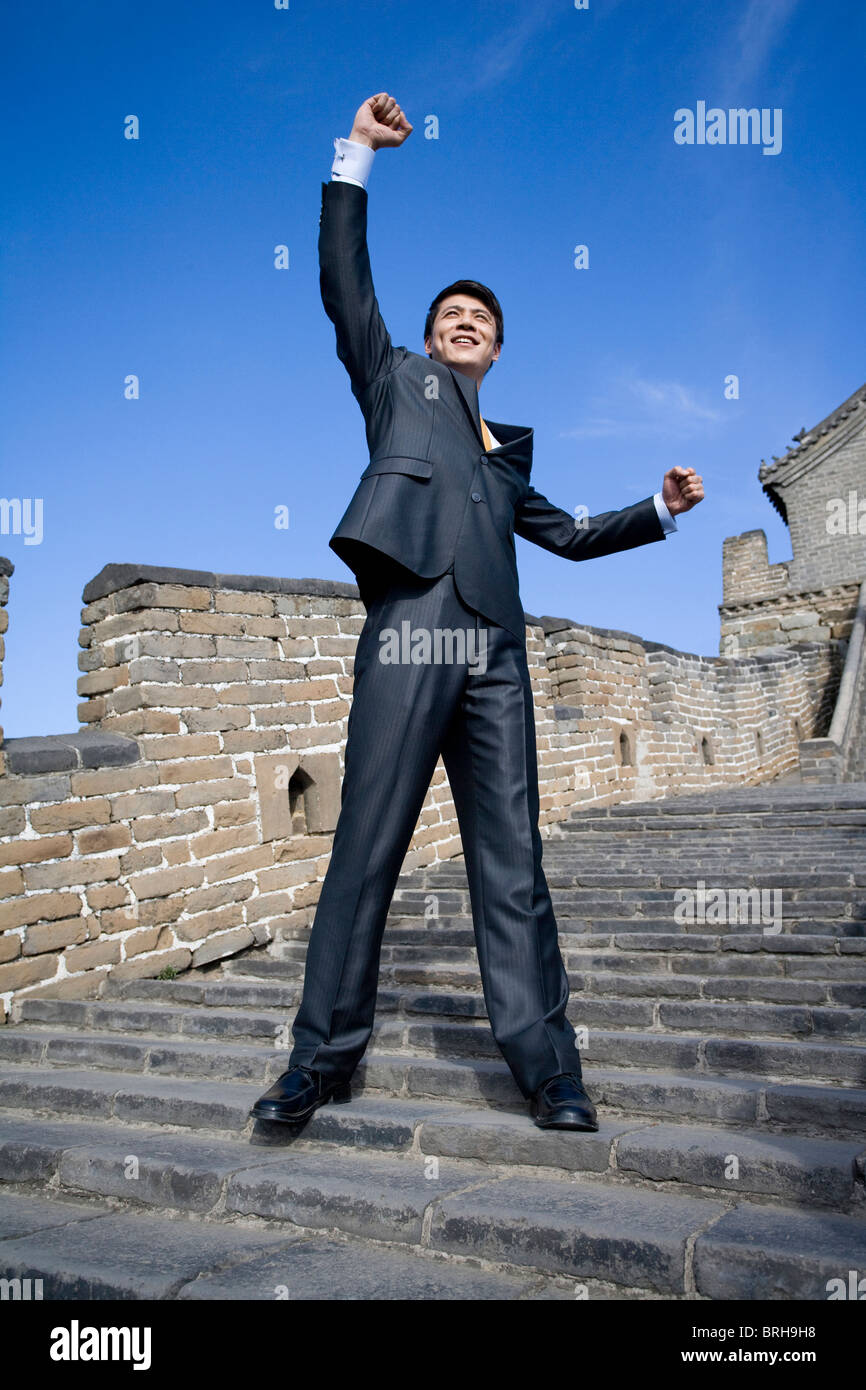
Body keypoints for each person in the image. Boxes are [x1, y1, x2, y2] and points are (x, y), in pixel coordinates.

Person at [251, 93, 704, 1131]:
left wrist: (661, 511)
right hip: (411, 624)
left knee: (512, 862)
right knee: (365, 840)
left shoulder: (508, 457)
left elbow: (573, 537)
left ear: (497, 349)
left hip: (494, 652)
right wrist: (357, 155)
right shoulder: (392, 379)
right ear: (425, 338)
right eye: (451, 314)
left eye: (483, 320)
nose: (466, 321)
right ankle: (319, 1059)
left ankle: (546, 1066)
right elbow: (343, 285)